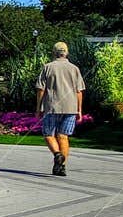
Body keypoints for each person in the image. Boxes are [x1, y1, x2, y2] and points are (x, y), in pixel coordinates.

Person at [35, 41, 85, 177]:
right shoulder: (74, 69)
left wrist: (39, 107)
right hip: (71, 106)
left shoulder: (48, 67)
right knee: (64, 136)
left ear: (54, 52)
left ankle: (57, 155)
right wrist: (79, 110)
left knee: (48, 134)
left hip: (52, 106)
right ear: (66, 53)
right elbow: (79, 91)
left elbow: (41, 89)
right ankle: (61, 167)